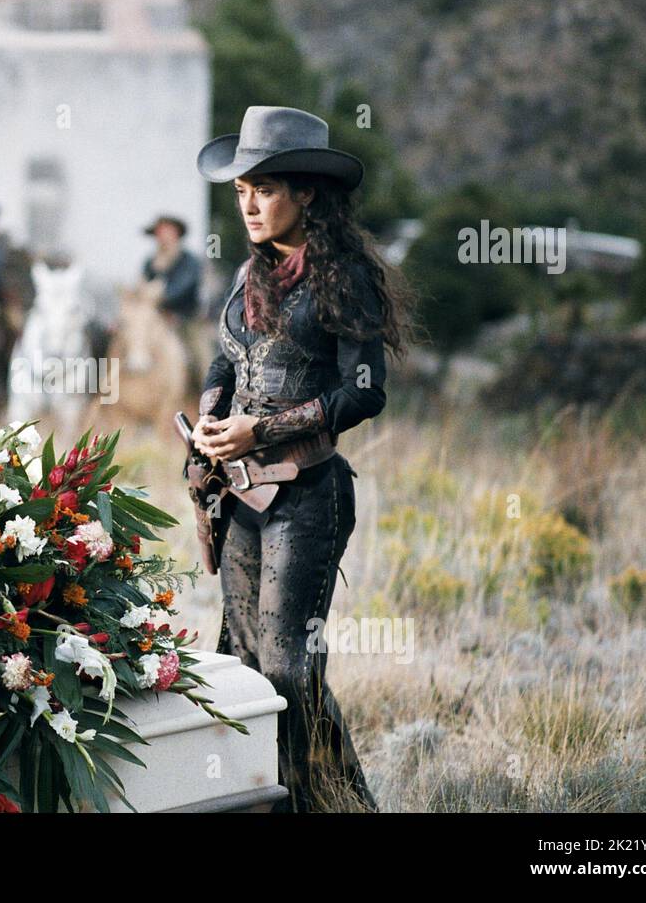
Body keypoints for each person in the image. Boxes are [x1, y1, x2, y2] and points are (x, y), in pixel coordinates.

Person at [190, 105, 412, 813]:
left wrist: (261, 431)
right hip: (240, 495)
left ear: (307, 192)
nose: (250, 204)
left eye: (266, 188)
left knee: (289, 668)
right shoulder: (246, 271)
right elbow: (225, 360)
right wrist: (208, 416)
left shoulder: (345, 276)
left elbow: (365, 393)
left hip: (308, 496)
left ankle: (337, 805)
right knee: (242, 664)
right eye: (241, 191)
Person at [141, 215, 206, 393]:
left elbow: (181, 289)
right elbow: (143, 288)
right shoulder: (150, 263)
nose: (162, 237)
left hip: (185, 320)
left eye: (166, 232)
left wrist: (159, 298)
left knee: (203, 360)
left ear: (177, 234)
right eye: (159, 233)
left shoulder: (190, 261)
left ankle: (209, 397)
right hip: (155, 320)